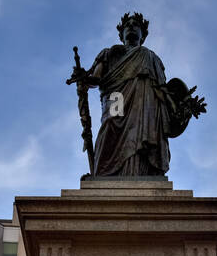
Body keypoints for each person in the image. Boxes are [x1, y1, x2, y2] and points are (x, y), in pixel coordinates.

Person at [70, 11, 206, 177]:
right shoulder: (109, 53)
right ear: (121, 34)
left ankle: (141, 173)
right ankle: (103, 175)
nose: (131, 27)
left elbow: (162, 91)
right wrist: (84, 78)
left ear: (143, 35)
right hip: (116, 98)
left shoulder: (150, 56)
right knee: (111, 126)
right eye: (128, 25)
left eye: (136, 25)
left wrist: (179, 108)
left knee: (143, 135)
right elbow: (95, 78)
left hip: (146, 103)